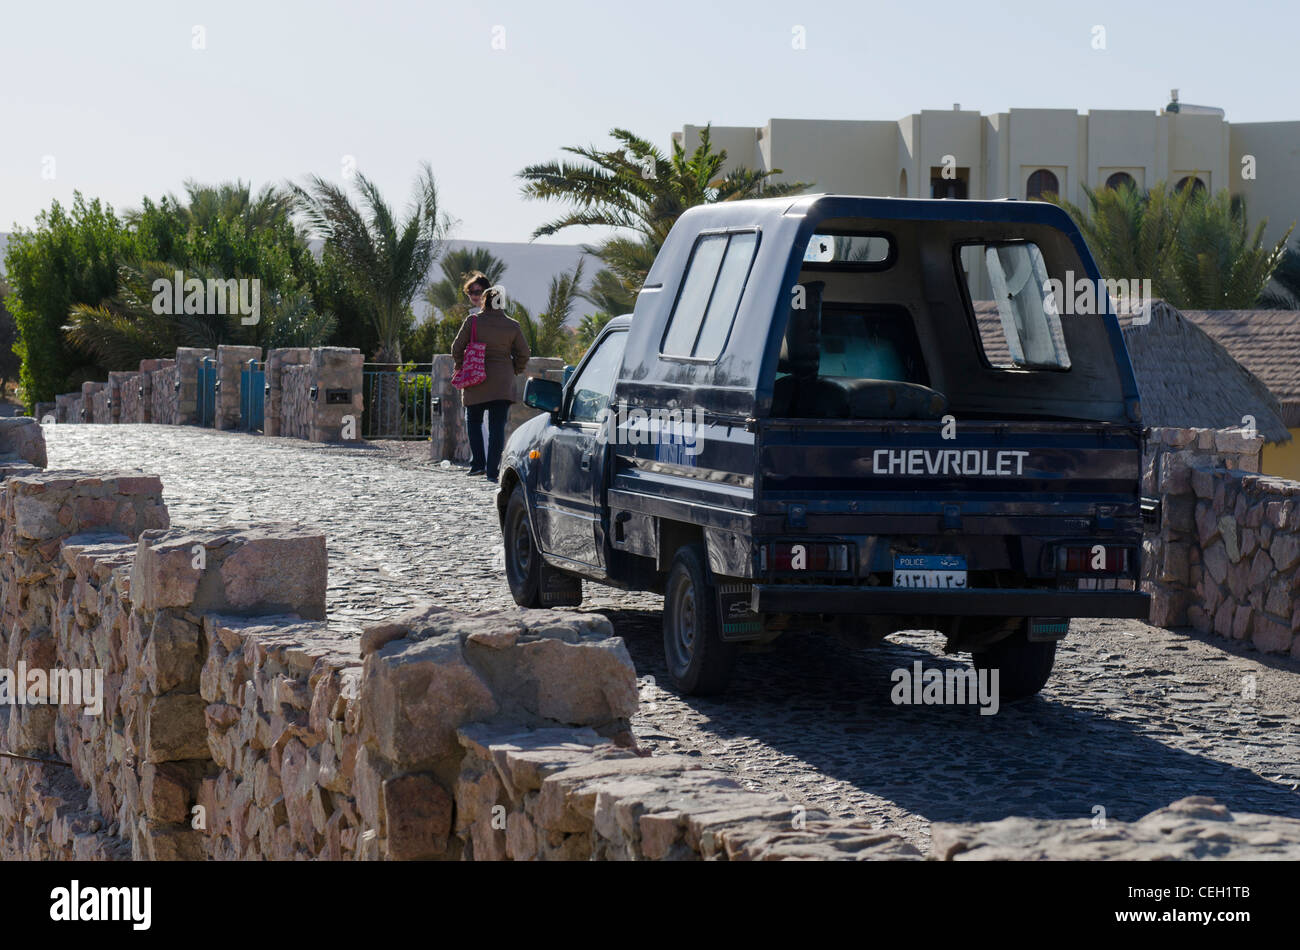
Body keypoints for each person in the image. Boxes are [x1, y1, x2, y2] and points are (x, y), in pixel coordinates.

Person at [451, 272, 530, 481]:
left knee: (473, 420)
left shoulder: (473, 321)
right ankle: (493, 470)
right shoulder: (513, 326)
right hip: (502, 381)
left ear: (484, 300)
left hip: (476, 379)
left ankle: (477, 464)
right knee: (497, 427)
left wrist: (461, 365)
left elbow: (456, 348)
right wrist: (514, 368)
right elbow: (524, 353)